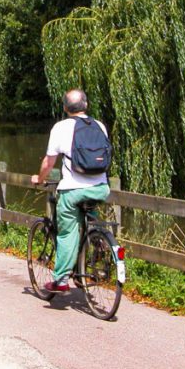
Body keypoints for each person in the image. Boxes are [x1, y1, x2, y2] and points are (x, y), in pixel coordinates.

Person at [30, 88, 110, 292]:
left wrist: (39, 179)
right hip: (101, 188)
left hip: (73, 190)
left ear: (65, 108)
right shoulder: (99, 125)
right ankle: (97, 241)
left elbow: (49, 162)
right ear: (86, 105)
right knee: (88, 207)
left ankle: (61, 280)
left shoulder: (61, 127)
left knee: (67, 234)